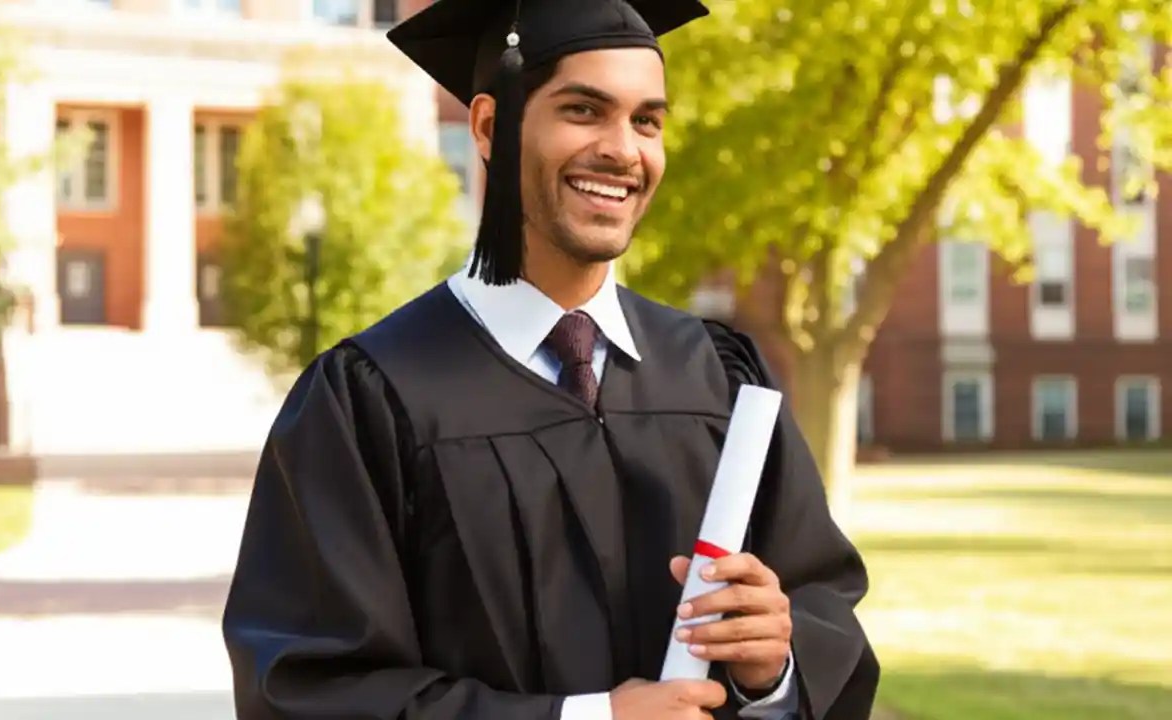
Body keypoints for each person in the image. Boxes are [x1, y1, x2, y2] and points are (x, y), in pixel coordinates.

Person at [221, 0, 879, 718]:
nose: (624, 150)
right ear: (489, 127)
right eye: (584, 111)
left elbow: (827, 620)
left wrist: (773, 673)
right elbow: (309, 689)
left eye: (647, 120)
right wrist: (589, 717)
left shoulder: (717, 376)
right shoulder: (369, 399)